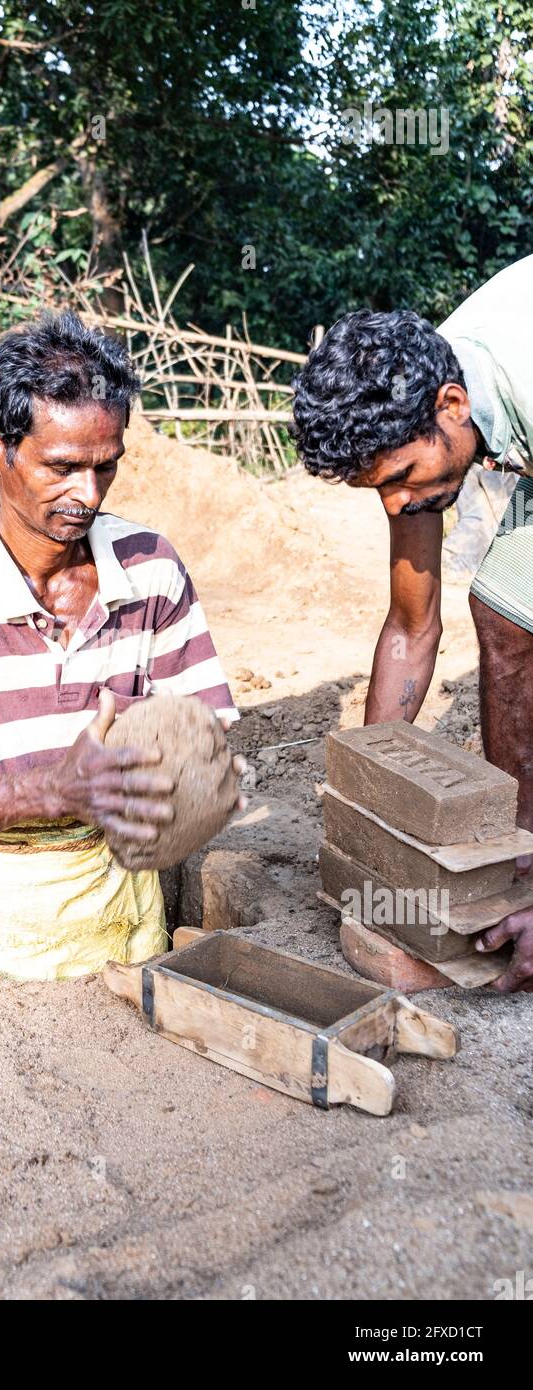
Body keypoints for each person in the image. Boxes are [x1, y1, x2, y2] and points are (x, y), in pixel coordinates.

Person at [0, 310, 243, 980]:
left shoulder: (151, 567)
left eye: (104, 468)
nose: (86, 496)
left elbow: (203, 732)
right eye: (60, 467)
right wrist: (56, 791)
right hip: (4, 913)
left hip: (131, 896)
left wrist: (193, 785)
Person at [291, 256, 533, 992]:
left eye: (399, 479)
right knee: (507, 616)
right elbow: (410, 623)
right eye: (378, 489)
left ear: (452, 405)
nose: (396, 506)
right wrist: (372, 804)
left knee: (507, 617)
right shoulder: (418, 400)